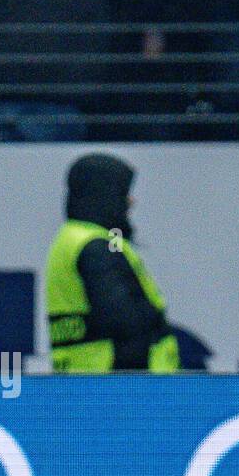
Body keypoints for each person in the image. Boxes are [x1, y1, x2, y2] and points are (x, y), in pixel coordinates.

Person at [46, 153, 180, 372]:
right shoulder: (95, 245)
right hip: (114, 385)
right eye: (123, 192)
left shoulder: (70, 239)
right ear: (103, 192)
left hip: (81, 377)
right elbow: (125, 322)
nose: (130, 201)